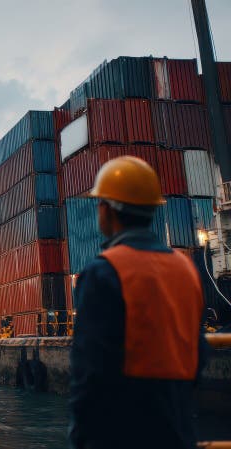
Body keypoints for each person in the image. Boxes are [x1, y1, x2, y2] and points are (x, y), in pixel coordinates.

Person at [68, 156, 208, 449]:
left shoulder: (104, 271)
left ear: (106, 209)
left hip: (122, 432)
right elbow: (199, 356)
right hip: (179, 431)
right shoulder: (187, 269)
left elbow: (90, 371)